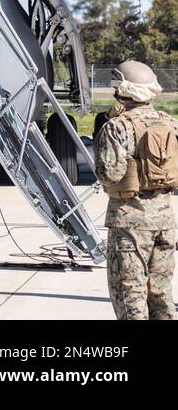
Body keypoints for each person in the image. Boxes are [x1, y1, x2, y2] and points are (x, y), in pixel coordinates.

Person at [94, 60, 177, 320]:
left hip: (129, 223)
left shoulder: (116, 126)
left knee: (130, 294)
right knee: (161, 294)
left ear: (122, 88)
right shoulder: (170, 123)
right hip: (165, 221)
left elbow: (110, 174)